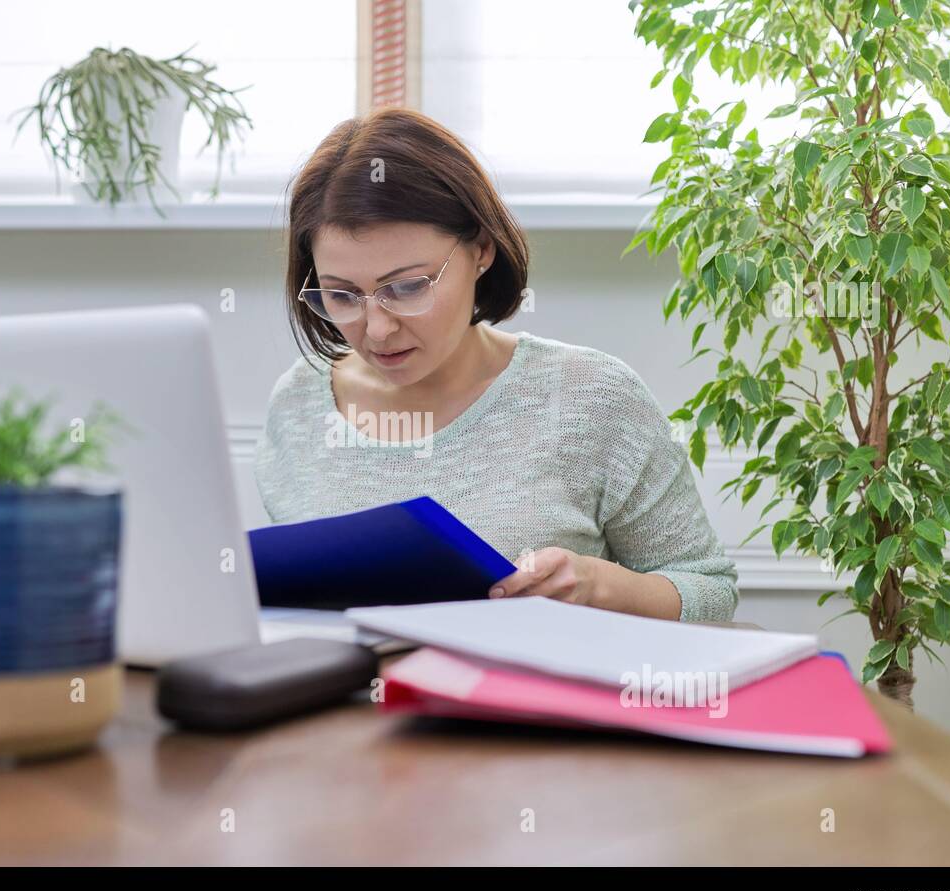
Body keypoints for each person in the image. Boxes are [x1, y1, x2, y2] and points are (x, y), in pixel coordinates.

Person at [254, 107, 737, 623]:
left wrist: (601, 586)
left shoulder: (591, 398)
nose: (377, 329)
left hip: (530, 703)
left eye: (408, 287)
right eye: (342, 295)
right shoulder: (298, 403)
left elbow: (710, 592)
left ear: (481, 250)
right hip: (345, 702)